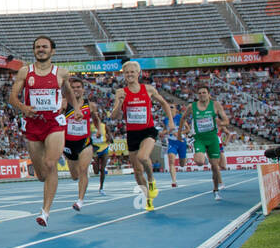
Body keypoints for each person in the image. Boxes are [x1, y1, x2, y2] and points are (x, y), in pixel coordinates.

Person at [9, 36, 75, 227]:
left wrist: (75, 108)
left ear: (52, 51)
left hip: (54, 123)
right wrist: (23, 107)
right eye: (37, 47)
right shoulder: (25, 72)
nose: (41, 49)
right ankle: (45, 177)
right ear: (34, 50)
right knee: (41, 174)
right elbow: (12, 97)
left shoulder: (61, 73)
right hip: (32, 124)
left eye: (44, 47)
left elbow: (69, 92)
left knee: (50, 163)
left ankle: (45, 212)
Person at [107, 61, 174, 211]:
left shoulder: (148, 89)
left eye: (132, 72)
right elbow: (115, 116)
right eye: (126, 72)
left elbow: (164, 103)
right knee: (137, 171)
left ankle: (151, 180)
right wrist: (120, 103)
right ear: (123, 75)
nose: (129, 75)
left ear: (139, 74)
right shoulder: (120, 92)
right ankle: (148, 199)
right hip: (132, 134)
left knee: (143, 157)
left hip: (148, 130)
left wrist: (170, 121)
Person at [179, 82, 230, 200]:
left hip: (213, 139)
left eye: (204, 93)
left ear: (208, 94)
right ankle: (203, 156)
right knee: (200, 162)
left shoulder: (216, 105)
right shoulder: (192, 106)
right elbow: (183, 118)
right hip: (200, 138)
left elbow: (226, 121)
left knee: (216, 167)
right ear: (197, 95)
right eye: (200, 93)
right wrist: (178, 134)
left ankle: (216, 190)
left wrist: (220, 123)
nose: (202, 95)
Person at [62, 76, 105, 212]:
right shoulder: (64, 104)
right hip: (68, 144)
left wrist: (98, 130)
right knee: (75, 176)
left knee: (83, 170)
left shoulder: (90, 105)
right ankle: (79, 177)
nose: (76, 90)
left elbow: (96, 119)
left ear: (83, 89)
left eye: (78, 87)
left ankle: (80, 201)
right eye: (73, 88)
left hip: (85, 142)